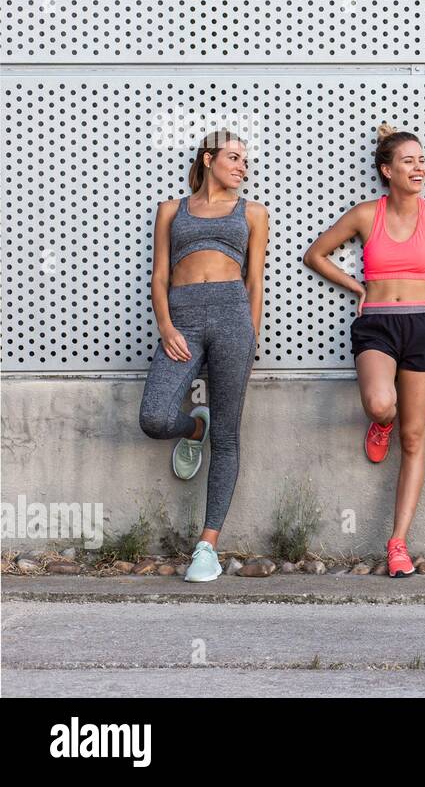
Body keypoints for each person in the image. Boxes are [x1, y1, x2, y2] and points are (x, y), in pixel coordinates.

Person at [303, 124, 425, 576]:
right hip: (375, 324)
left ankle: (398, 543)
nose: (420, 168)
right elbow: (316, 255)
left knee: (414, 438)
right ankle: (381, 424)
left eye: (423, 160)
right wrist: (356, 285)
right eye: (409, 161)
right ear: (386, 170)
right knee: (379, 403)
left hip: (422, 325)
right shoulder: (363, 215)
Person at [139, 130, 268, 583]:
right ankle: (195, 426)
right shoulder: (171, 210)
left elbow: (255, 280)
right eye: (234, 158)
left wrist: (251, 333)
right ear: (209, 158)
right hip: (184, 318)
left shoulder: (252, 213)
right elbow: (158, 276)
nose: (242, 167)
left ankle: (206, 547)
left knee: (229, 436)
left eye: (245, 161)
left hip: (233, 314)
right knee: (153, 418)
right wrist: (167, 326)